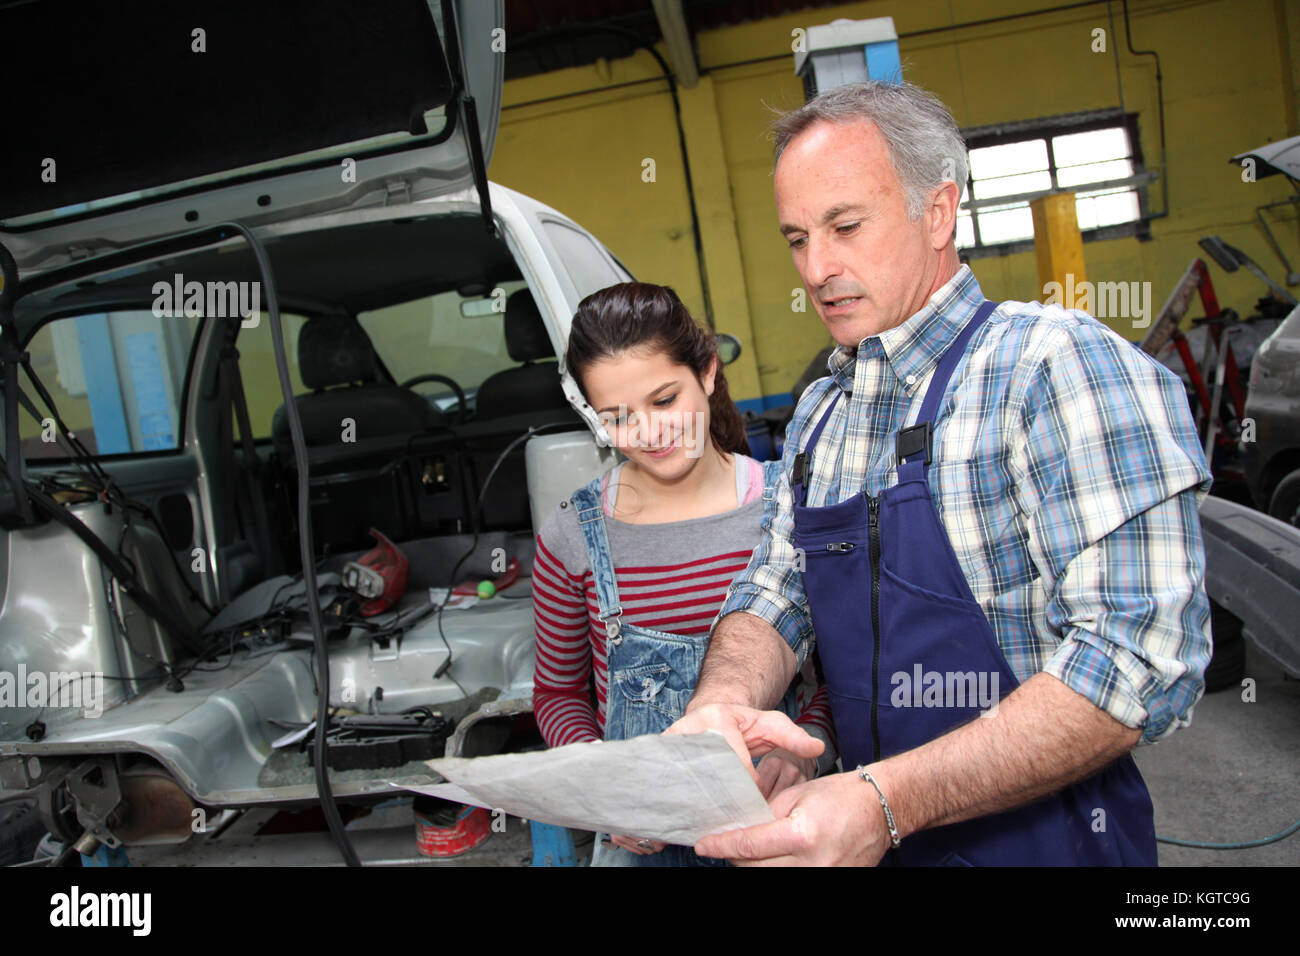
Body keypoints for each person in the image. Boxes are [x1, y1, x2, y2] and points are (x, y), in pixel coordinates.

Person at [667, 80, 1214, 866]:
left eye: (845, 225)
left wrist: (888, 800)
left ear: (939, 210)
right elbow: (776, 591)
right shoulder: (824, 411)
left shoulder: (1056, 369)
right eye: (796, 239)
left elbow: (1137, 662)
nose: (818, 269)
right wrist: (725, 707)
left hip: (1049, 844)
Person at [530, 282, 835, 866]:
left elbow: (832, 677)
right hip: (639, 846)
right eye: (616, 417)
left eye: (664, 400)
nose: (648, 433)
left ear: (709, 372)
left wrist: (801, 755)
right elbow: (556, 695)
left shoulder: (788, 507)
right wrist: (606, 786)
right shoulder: (572, 536)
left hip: (784, 826)